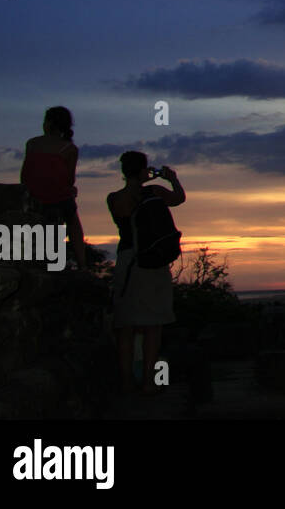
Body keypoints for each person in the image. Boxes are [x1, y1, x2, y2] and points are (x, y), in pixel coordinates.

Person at [107, 151, 185, 396]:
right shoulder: (155, 193)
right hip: (152, 260)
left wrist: (139, 181)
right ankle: (149, 382)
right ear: (143, 170)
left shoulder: (114, 198)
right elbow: (179, 199)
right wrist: (171, 179)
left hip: (128, 259)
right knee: (153, 325)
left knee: (126, 325)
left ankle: (126, 381)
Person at [20, 106, 88, 270]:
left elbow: (25, 175)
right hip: (56, 198)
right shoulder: (69, 149)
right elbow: (69, 180)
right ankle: (83, 264)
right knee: (73, 222)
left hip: (31, 195)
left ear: (48, 123)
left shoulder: (32, 143)